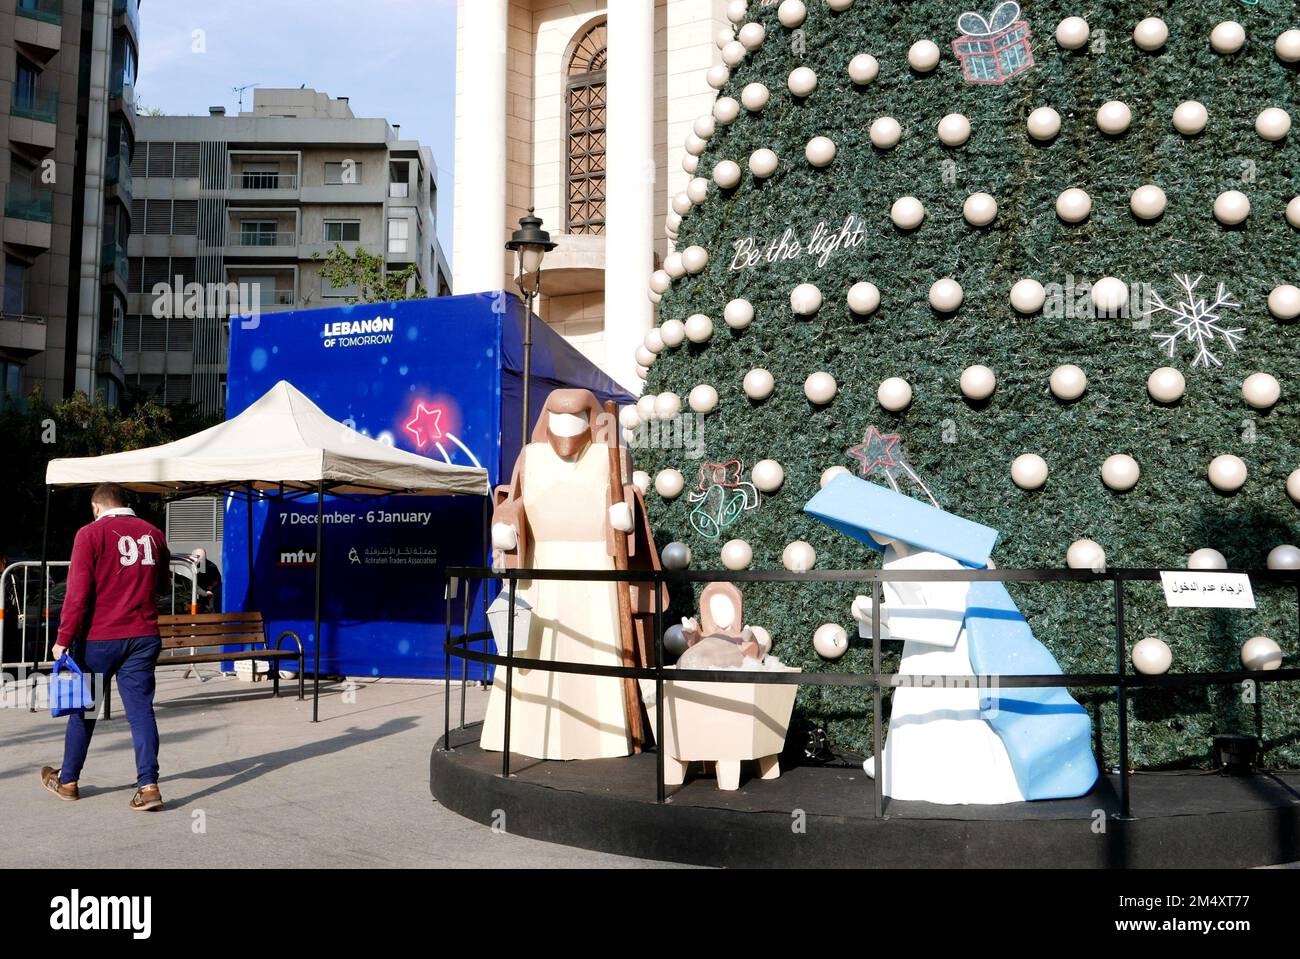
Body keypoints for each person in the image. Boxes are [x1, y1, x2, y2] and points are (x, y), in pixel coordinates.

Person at [481, 389, 662, 760]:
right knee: (533, 650)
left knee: (599, 645)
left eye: (576, 419)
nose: (567, 431)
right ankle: (523, 733)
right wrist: (507, 522)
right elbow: (514, 498)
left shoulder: (611, 455)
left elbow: (624, 497)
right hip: (541, 571)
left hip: (596, 567)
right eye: (559, 419)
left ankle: (607, 734)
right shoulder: (531, 455)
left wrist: (622, 514)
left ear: (592, 419)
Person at [41, 483, 171, 811]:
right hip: (143, 636)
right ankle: (149, 785)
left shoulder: (90, 534)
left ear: (97, 506)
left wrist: (62, 639)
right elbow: (164, 586)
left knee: (85, 710)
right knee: (141, 712)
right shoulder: (153, 533)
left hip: (100, 638)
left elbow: (78, 593)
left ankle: (68, 780)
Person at [188, 548, 222, 614]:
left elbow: (217, 581)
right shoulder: (189, 565)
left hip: (209, 596)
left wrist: (212, 587)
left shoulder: (211, 566)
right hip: (193, 596)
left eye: (203, 558)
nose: (201, 561)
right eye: (199, 558)